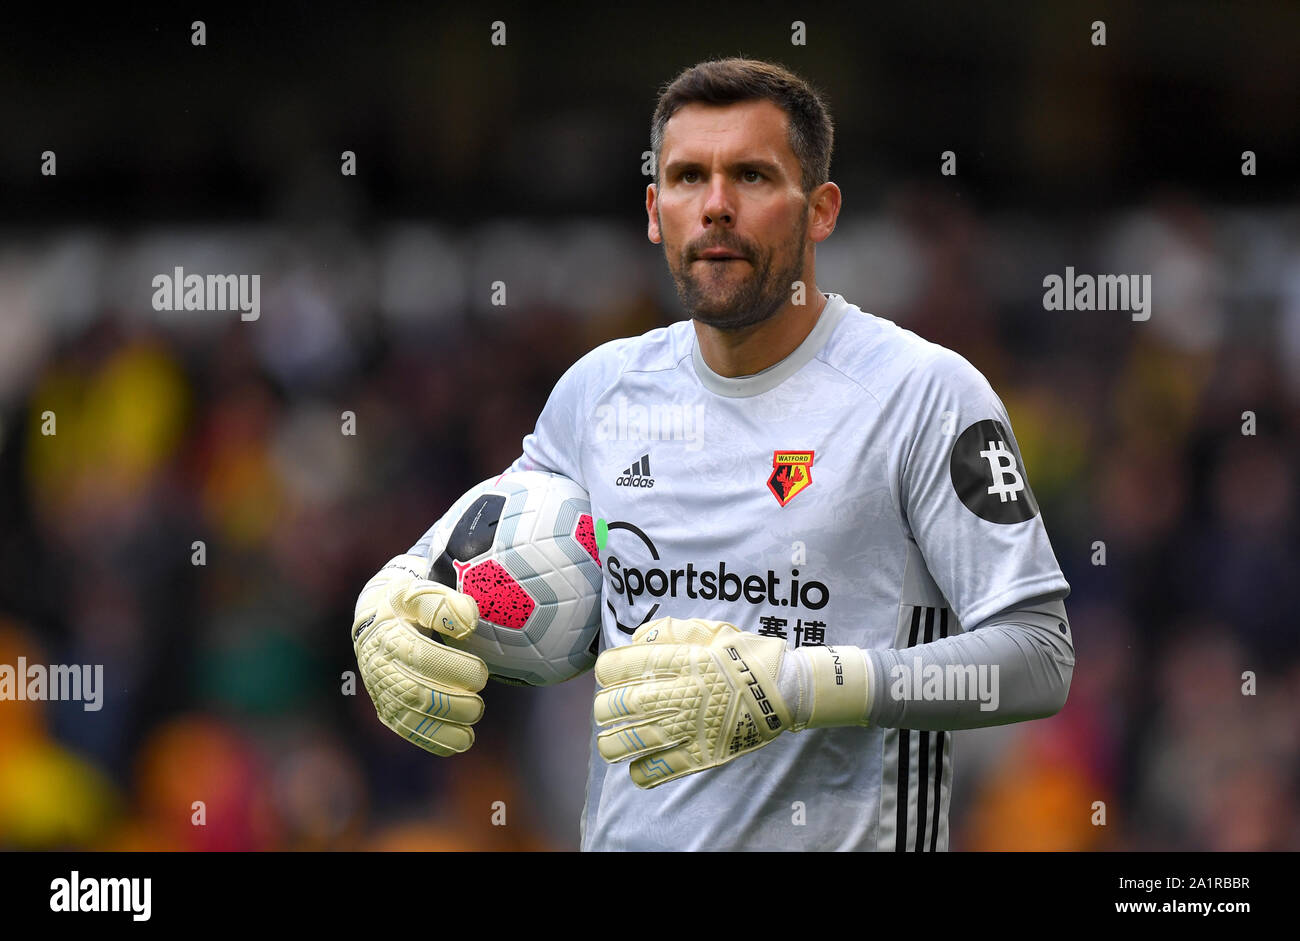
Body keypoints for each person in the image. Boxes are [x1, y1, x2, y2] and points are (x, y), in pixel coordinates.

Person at [352, 57, 1074, 851]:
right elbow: (486, 539)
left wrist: (800, 685)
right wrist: (389, 598)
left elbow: (1038, 656)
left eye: (754, 177)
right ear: (656, 211)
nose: (717, 206)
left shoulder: (926, 395)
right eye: (689, 177)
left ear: (822, 210)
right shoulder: (600, 391)